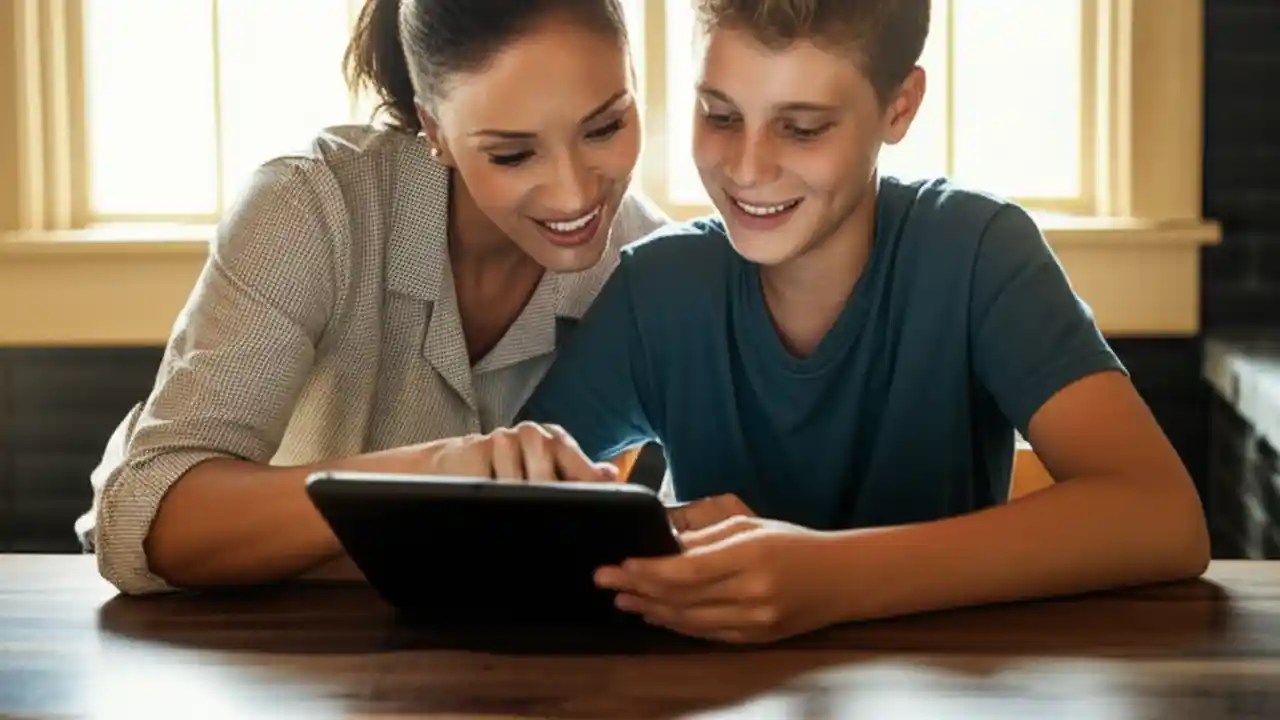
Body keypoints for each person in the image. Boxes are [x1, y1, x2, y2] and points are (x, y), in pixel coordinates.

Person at [520, 0, 1210, 643]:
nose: (749, 168)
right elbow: (510, 516)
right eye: (720, 115)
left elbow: (1163, 516)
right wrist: (665, 537)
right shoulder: (659, 289)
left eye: (802, 127)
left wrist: (828, 577)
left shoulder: (976, 253)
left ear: (899, 107)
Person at [77, 0, 666, 596]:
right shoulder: (312, 208)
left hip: (503, 648)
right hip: (261, 642)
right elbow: (147, 520)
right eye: (511, 154)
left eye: (605, 127)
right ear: (434, 130)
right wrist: (434, 474)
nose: (572, 195)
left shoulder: (651, 266)